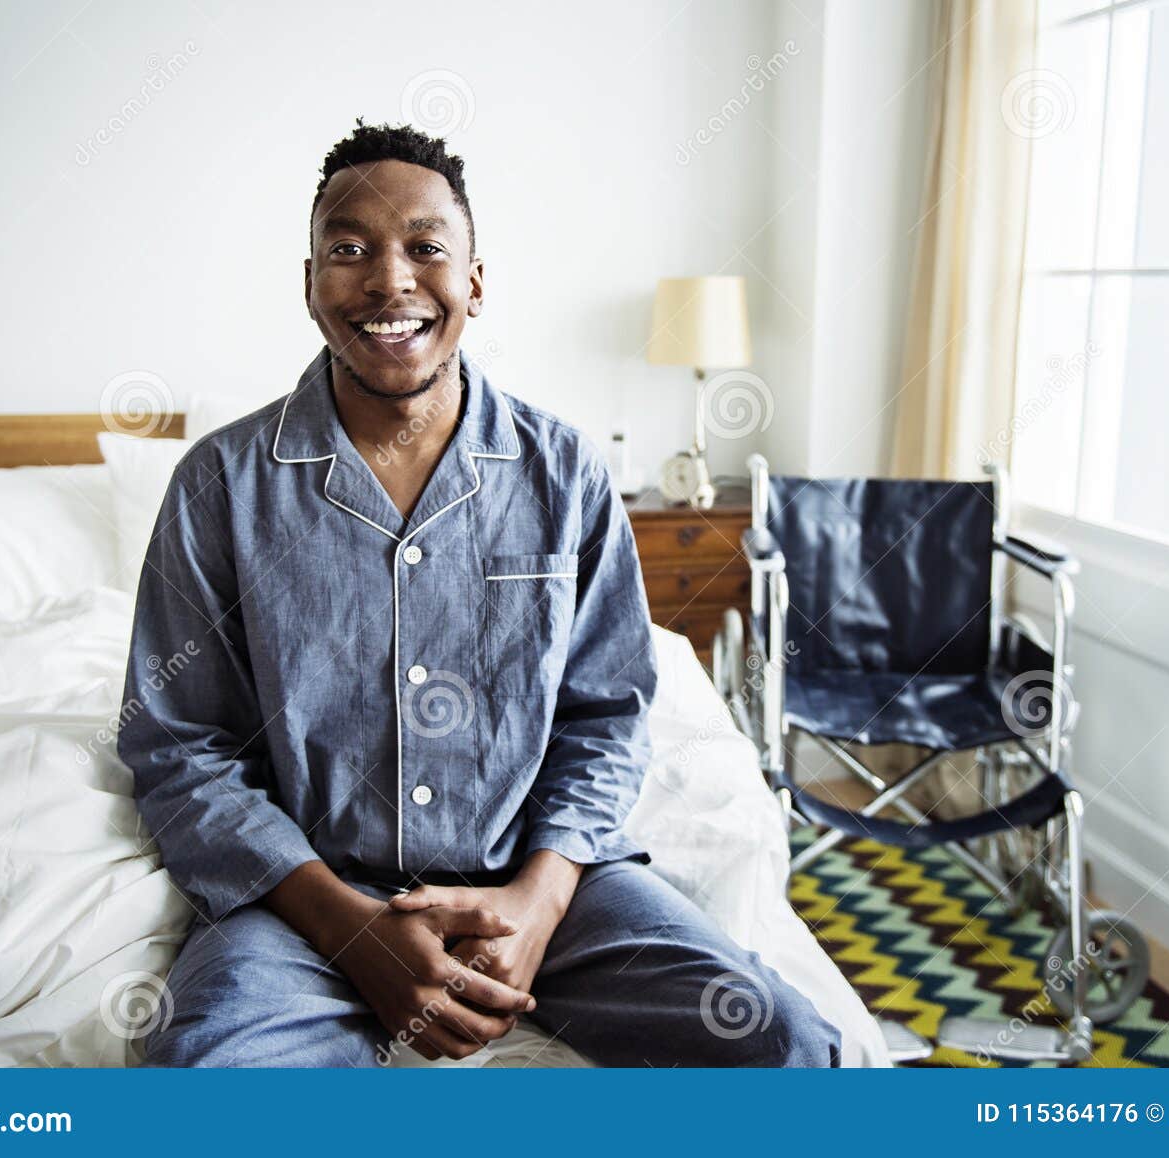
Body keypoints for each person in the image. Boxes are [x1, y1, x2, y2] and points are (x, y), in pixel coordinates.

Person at [117, 119, 840, 1067]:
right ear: (310, 284)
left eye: (425, 248)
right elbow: (181, 746)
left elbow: (607, 715)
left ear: (475, 281)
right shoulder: (220, 484)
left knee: (784, 1041)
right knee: (202, 1077)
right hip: (306, 904)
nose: (389, 281)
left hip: (543, 890)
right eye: (349, 250)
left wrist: (538, 902)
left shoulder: (566, 473)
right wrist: (351, 932)